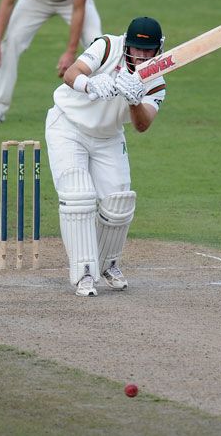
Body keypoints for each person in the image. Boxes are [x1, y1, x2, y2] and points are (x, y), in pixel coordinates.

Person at [45, 16, 167, 297]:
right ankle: (84, 274)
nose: (142, 56)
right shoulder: (108, 46)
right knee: (79, 196)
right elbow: (71, 73)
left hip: (108, 136)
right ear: (128, 45)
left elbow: (142, 125)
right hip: (68, 126)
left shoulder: (156, 78)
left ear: (158, 50)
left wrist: (135, 100)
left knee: (119, 203)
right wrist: (90, 85)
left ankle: (107, 264)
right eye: (137, 50)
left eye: (148, 52)